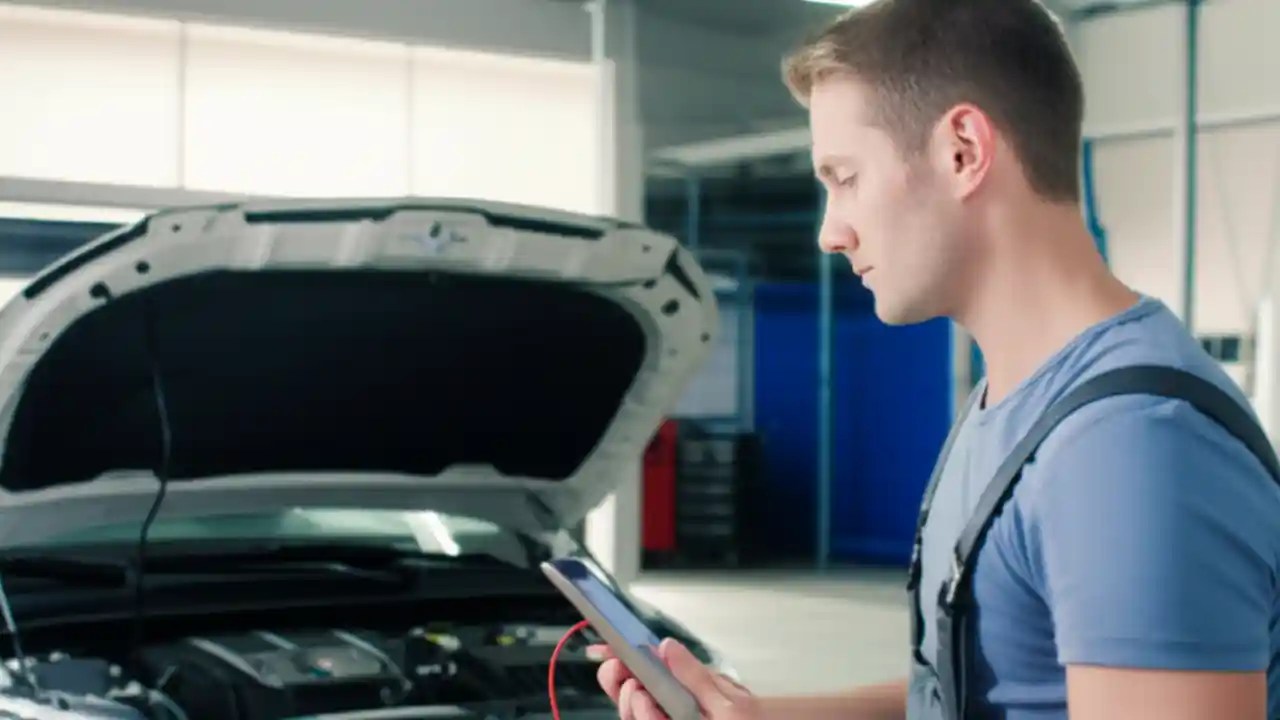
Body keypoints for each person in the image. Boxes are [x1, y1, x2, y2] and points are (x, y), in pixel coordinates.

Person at [593, 0, 1280, 718]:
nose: (831, 232)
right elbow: (977, 694)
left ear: (963, 151)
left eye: (844, 177)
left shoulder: (1127, 446)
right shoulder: (1017, 406)